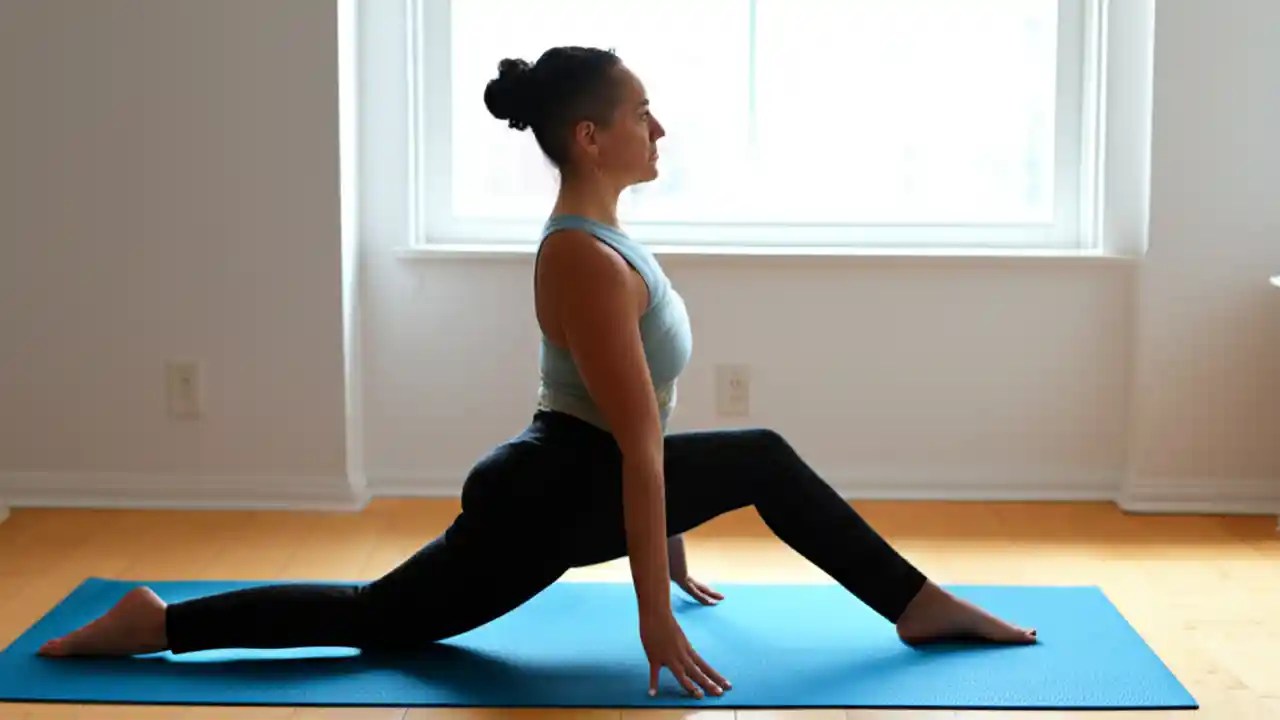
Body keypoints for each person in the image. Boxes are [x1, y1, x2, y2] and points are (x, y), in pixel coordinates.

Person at [37, 46, 1036, 700]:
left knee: (380, 618)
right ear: (590, 137)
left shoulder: (609, 240)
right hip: (550, 492)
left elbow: (648, 424)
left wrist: (674, 547)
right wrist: (651, 616)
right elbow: (639, 449)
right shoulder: (582, 260)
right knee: (377, 623)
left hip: (569, 478)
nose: (659, 129)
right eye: (643, 113)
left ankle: (158, 620)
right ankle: (156, 621)